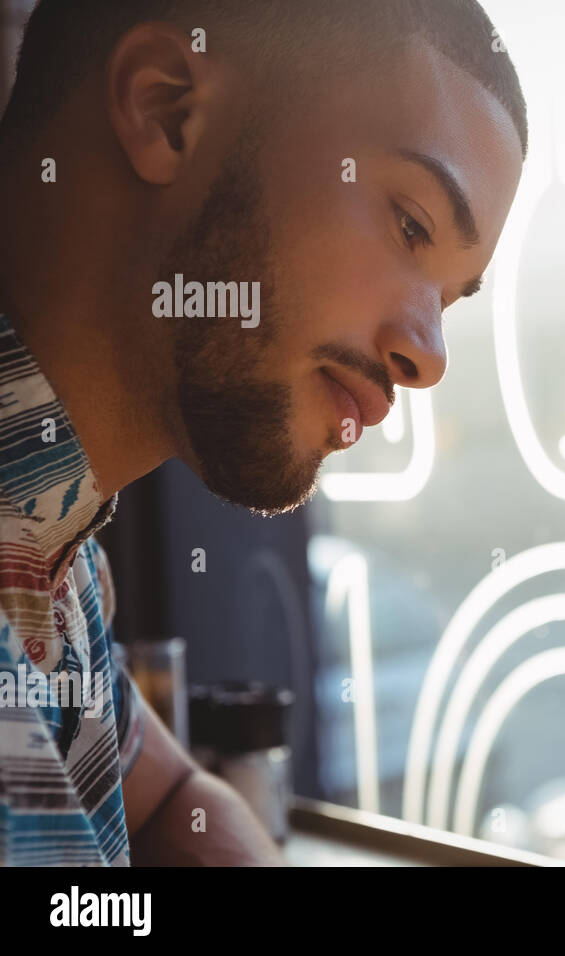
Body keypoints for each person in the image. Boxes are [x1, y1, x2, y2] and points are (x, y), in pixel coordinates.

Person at [0, 0, 527, 865]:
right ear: (166, 109)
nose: (429, 359)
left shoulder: (60, 557)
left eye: (450, 299)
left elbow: (168, 792)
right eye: (412, 224)